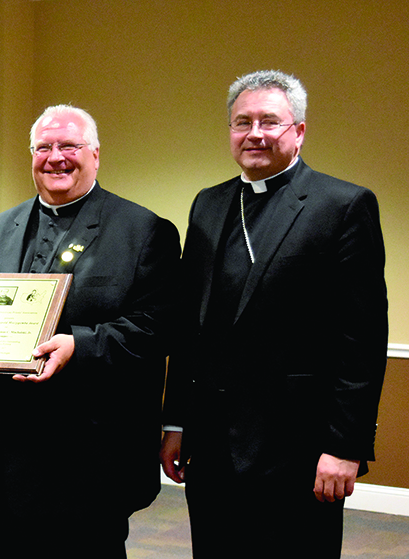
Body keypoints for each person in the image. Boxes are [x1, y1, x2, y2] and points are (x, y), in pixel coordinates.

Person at [160, 70, 388, 558]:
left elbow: (362, 340)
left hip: (298, 450)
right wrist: (176, 422)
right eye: (242, 122)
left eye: (270, 121)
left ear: (299, 131)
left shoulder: (343, 205)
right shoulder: (209, 204)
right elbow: (189, 329)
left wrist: (345, 446)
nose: (255, 133)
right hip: (214, 445)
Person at [0, 105, 181, 559]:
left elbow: (157, 327)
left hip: (86, 455)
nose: (56, 157)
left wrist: (81, 343)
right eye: (44, 147)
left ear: (95, 154)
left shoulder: (143, 231)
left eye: (69, 146)